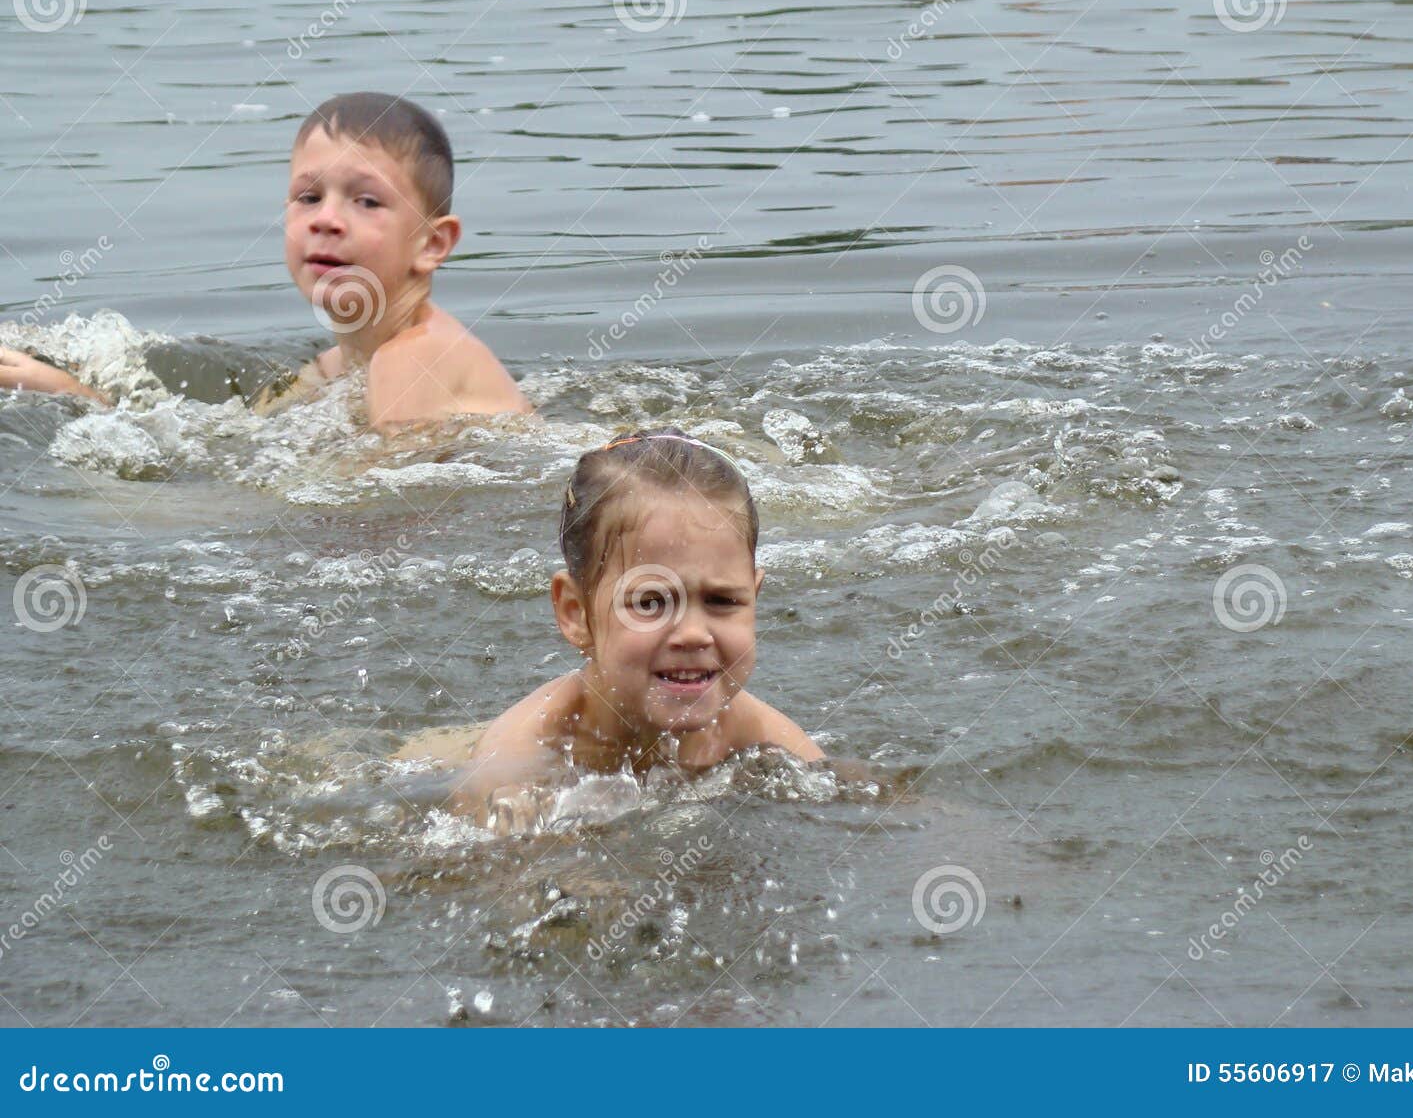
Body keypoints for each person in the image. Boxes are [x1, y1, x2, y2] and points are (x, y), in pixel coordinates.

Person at [0, 93, 530, 430]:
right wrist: (81, 395)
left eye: (367, 201)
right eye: (308, 197)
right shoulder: (334, 367)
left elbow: (375, 510)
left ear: (432, 244)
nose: (327, 219)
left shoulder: (414, 359)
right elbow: (222, 445)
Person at [457, 427, 822, 829]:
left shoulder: (769, 742)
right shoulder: (517, 767)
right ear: (576, 613)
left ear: (754, 596)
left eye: (722, 601)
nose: (693, 634)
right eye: (651, 603)